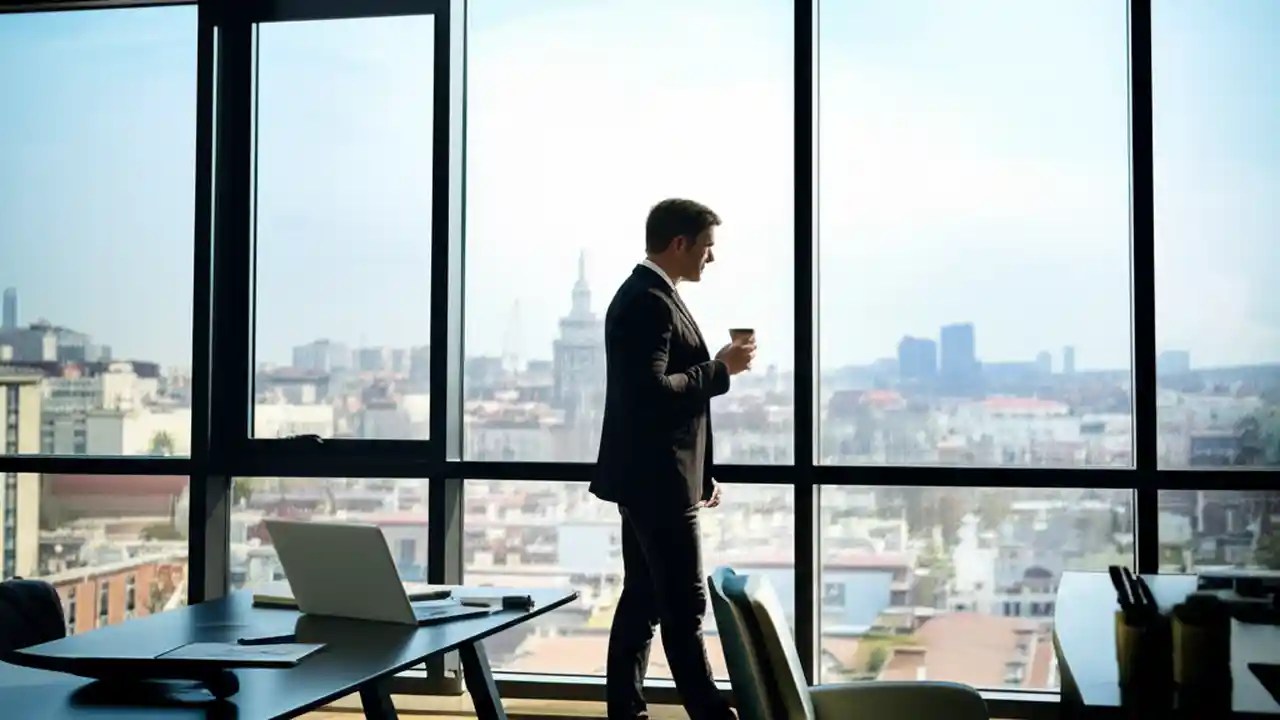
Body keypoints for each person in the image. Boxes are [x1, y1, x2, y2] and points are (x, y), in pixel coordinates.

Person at [591, 198, 755, 720]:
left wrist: (702, 471)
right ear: (680, 243)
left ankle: (626, 710)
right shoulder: (649, 301)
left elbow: (659, 405)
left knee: (642, 598)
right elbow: (654, 392)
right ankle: (709, 714)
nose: (712, 258)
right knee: (684, 605)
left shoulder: (649, 294)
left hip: (658, 475)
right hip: (658, 481)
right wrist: (721, 369)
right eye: (707, 247)